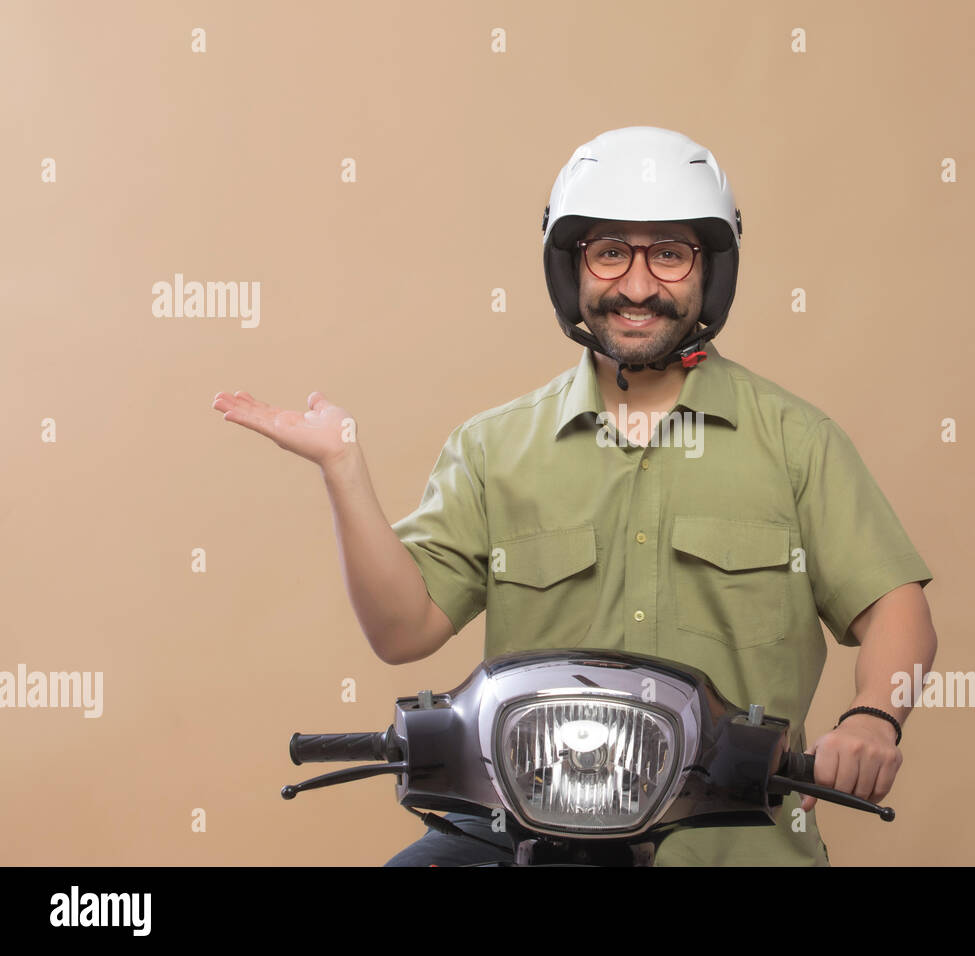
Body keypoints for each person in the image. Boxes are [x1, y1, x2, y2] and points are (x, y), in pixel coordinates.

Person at [212, 126, 938, 866]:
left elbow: (895, 605)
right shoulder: (493, 448)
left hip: (734, 848)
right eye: (610, 251)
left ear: (710, 271)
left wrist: (873, 719)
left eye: (670, 254)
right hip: (521, 840)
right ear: (573, 269)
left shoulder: (797, 441)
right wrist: (343, 470)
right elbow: (404, 631)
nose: (637, 286)